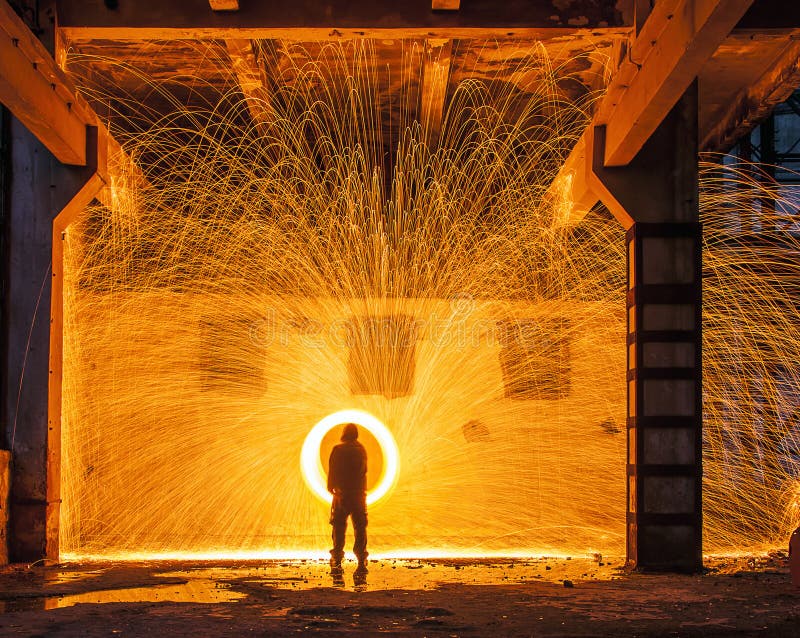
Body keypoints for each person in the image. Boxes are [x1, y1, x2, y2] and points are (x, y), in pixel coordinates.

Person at [327, 422, 368, 573]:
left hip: (341, 494)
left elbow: (332, 472)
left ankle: (337, 559)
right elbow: (364, 471)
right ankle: (361, 560)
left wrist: (332, 488)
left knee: (338, 526)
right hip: (358, 494)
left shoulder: (338, 449)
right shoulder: (361, 450)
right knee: (360, 527)